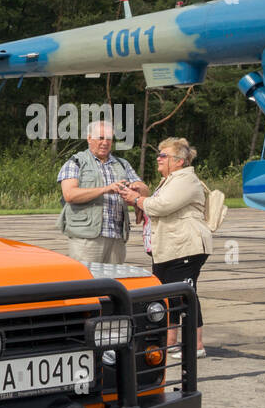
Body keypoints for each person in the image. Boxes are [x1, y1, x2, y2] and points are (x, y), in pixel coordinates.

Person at [120, 137, 211, 359]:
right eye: (158, 155)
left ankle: (196, 345)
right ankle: (171, 342)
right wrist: (140, 200)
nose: (158, 159)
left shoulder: (185, 180)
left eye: (164, 155)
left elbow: (161, 206)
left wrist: (137, 199)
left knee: (185, 296)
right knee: (168, 297)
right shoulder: (171, 180)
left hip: (186, 247)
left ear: (179, 161)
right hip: (170, 248)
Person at [57, 120, 149, 264]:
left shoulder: (122, 164)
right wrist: (106, 189)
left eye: (109, 139)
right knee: (87, 277)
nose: (105, 142)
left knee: (114, 278)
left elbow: (145, 191)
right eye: (100, 138)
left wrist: (136, 186)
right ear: (89, 138)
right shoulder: (76, 162)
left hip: (117, 238)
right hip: (87, 238)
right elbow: (70, 195)